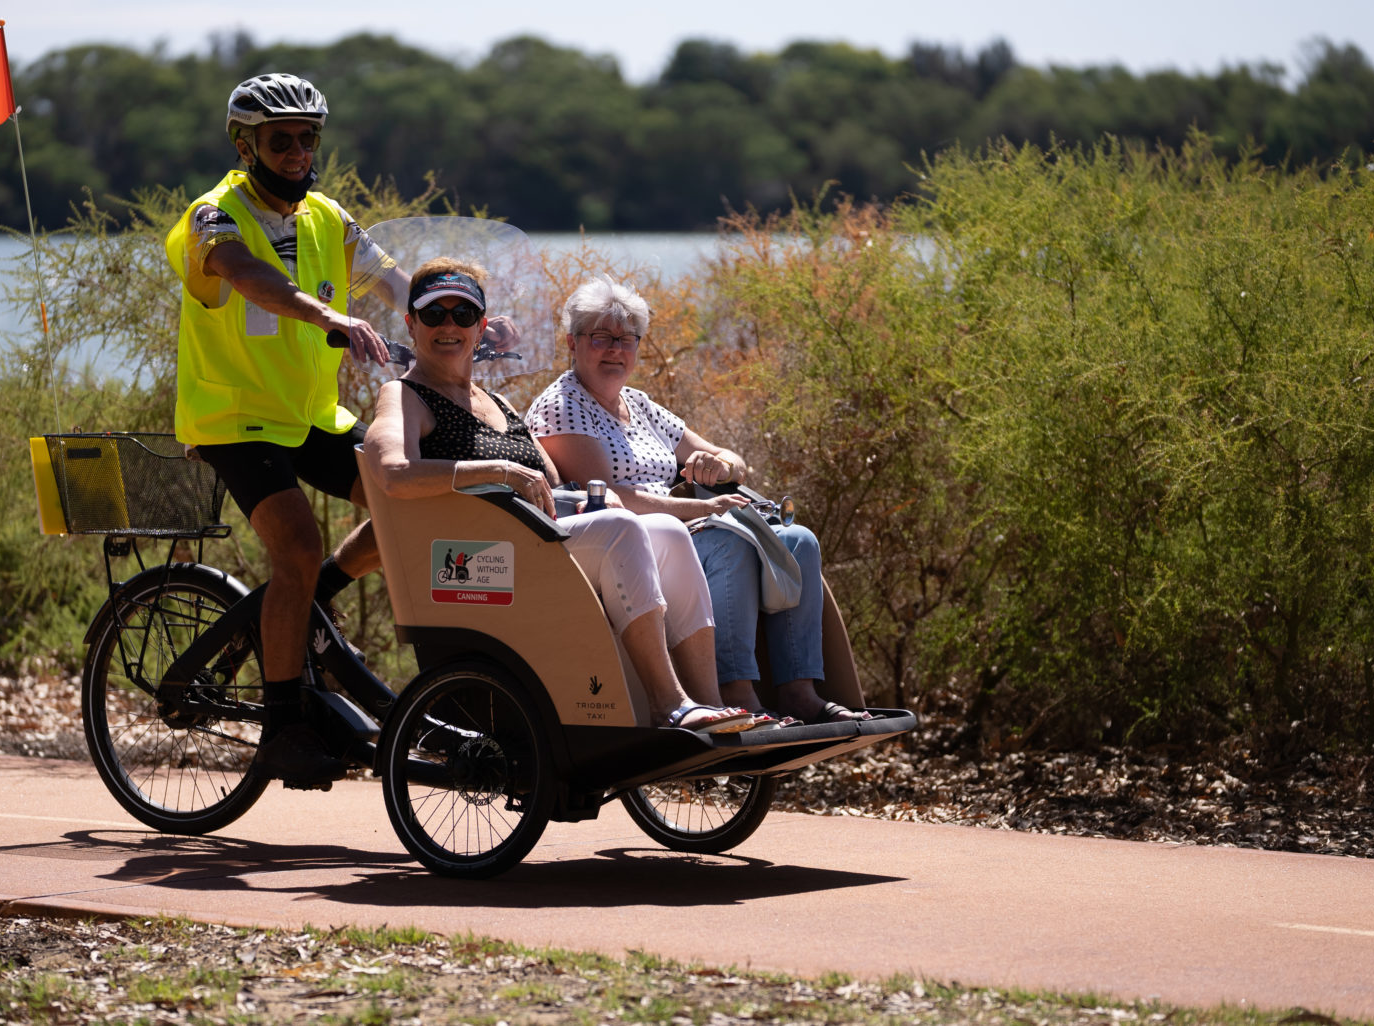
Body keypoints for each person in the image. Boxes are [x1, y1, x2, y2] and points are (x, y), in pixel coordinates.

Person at [362, 259, 759, 733]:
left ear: (480, 327)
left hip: (537, 537)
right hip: (482, 553)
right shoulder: (404, 395)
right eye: (434, 315)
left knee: (666, 531)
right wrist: (497, 469)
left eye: (463, 315)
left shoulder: (499, 403)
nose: (450, 326)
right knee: (621, 529)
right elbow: (392, 473)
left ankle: (710, 705)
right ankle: (668, 703)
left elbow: (556, 488)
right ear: (411, 324)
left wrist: (597, 498)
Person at [165, 73, 408, 785]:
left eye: (308, 138)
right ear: (245, 145)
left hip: (308, 416)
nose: (298, 151)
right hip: (233, 417)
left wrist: (456, 306)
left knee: (407, 500)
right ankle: (282, 725)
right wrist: (327, 314)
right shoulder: (212, 216)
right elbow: (244, 276)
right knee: (296, 547)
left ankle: (316, 595)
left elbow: (394, 279)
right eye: (281, 140)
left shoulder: (327, 217)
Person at [526, 277, 873, 725]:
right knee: (729, 544)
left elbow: (732, 460)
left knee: (799, 540)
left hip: (687, 522)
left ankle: (798, 691)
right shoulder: (563, 404)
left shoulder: (639, 403)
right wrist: (705, 509)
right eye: (601, 337)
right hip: (634, 535)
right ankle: (736, 689)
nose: (615, 349)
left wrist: (718, 465)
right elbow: (615, 497)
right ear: (573, 344)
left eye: (627, 339)